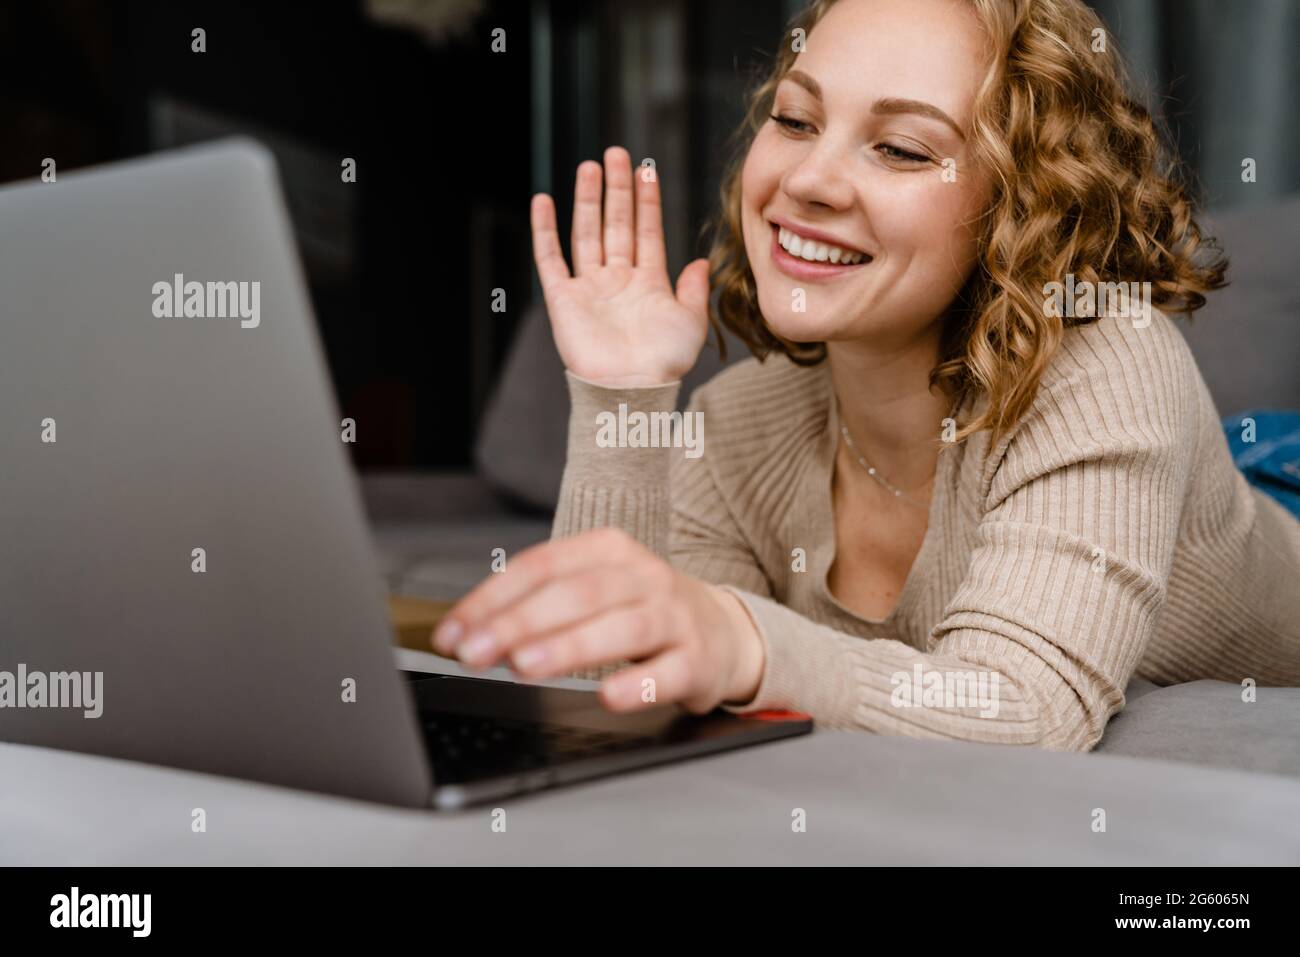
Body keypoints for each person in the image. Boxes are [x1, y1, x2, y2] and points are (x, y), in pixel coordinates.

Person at [433, 0, 1300, 750]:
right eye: (797, 120)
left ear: (1020, 207)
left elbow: (1027, 707)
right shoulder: (740, 424)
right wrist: (618, 403)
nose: (808, 179)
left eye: (901, 149)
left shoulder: (1105, 360)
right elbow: (609, 696)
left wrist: (750, 643)